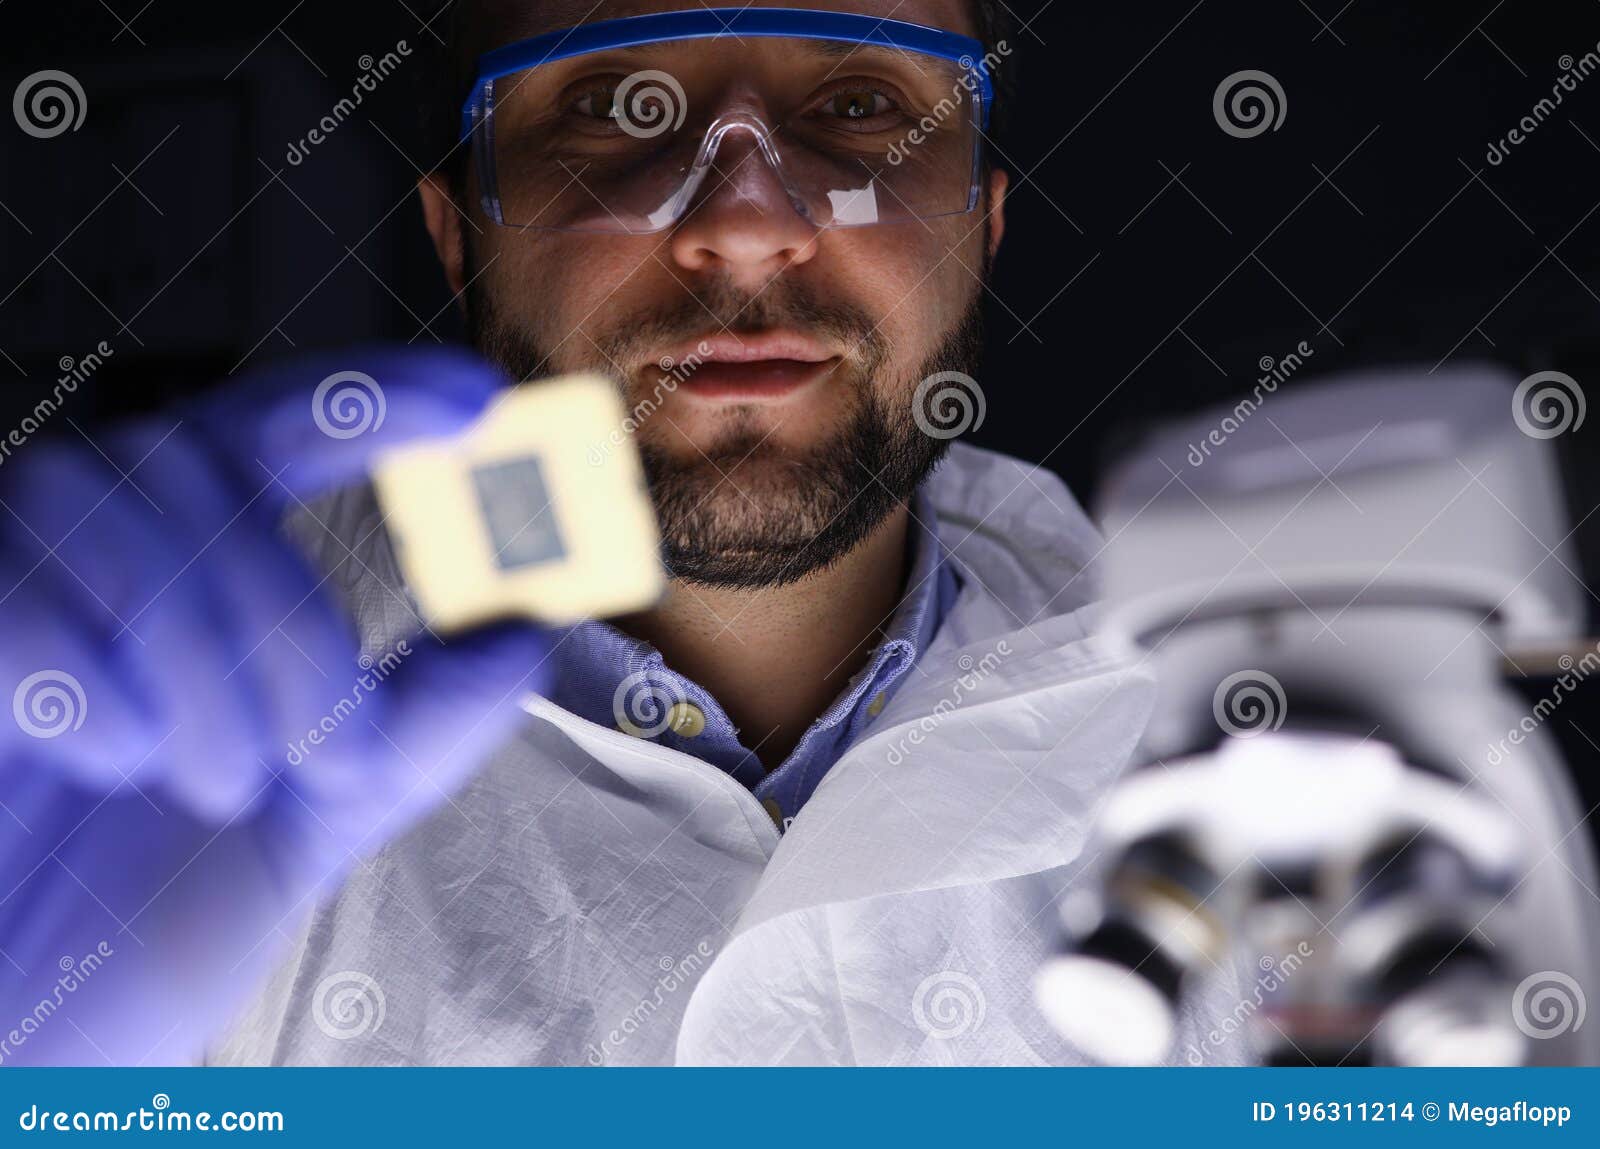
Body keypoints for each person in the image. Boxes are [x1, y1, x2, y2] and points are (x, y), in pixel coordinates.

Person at [0, 1, 1246, 1066]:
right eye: (617, 107)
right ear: (457, 234)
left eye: (862, 104)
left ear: (981, 221)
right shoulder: (160, 747)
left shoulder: (1255, 740)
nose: (748, 218)